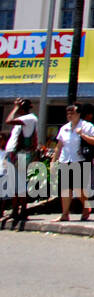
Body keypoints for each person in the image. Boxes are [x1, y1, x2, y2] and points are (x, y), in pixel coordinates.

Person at [54, 104, 94, 222]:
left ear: (79, 114)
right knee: (65, 189)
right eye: (68, 113)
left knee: (78, 189)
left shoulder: (86, 126)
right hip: (65, 160)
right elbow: (59, 146)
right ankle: (65, 214)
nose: (69, 115)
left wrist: (82, 134)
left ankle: (86, 206)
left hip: (79, 160)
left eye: (72, 113)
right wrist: (54, 160)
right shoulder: (64, 128)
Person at [2, 98, 39, 229]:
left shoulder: (29, 118)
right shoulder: (24, 120)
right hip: (14, 152)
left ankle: (22, 210)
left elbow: (8, 121)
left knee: (20, 182)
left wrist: (15, 108)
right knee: (14, 182)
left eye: (20, 107)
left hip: (22, 154)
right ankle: (15, 210)